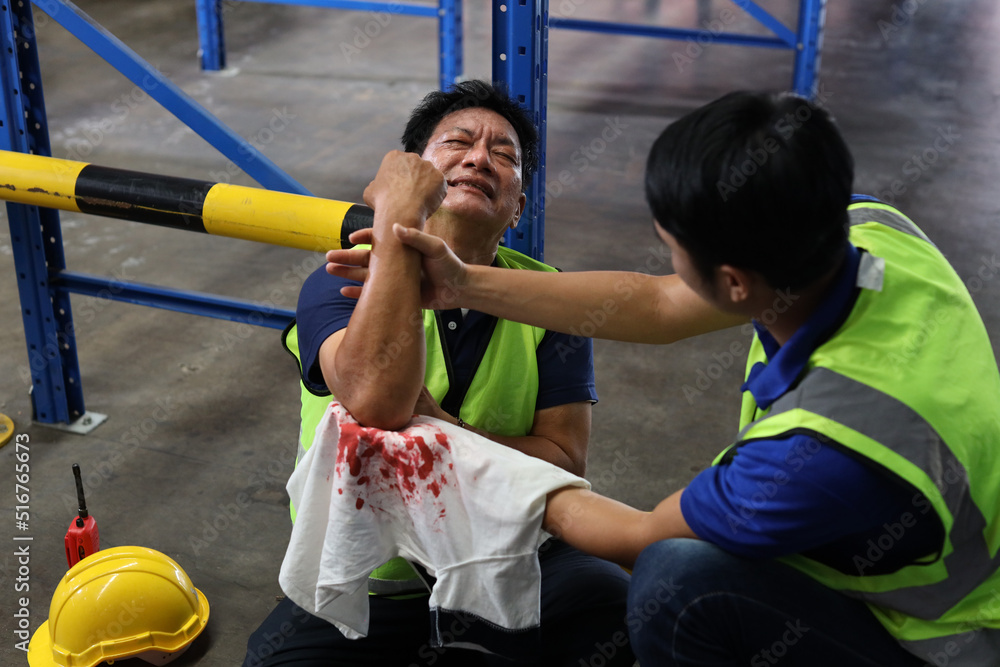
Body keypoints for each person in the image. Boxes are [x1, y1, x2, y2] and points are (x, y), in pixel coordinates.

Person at [328, 91, 1000, 666]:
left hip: (936, 640)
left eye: (674, 250)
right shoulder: (868, 230)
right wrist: (465, 281)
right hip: (920, 552)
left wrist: (455, 441)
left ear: (733, 283)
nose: (478, 159)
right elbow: (656, 303)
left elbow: (643, 534)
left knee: (673, 579)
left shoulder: (808, 460)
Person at [243, 80, 635, 667]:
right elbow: (377, 400)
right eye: (457, 142)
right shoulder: (342, 277)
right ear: (412, 175)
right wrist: (398, 219)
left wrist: (442, 426)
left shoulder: (550, 299)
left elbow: (563, 459)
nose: (480, 158)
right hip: (373, 578)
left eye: (505, 156)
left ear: (518, 206)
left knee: (616, 605)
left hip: (504, 556)